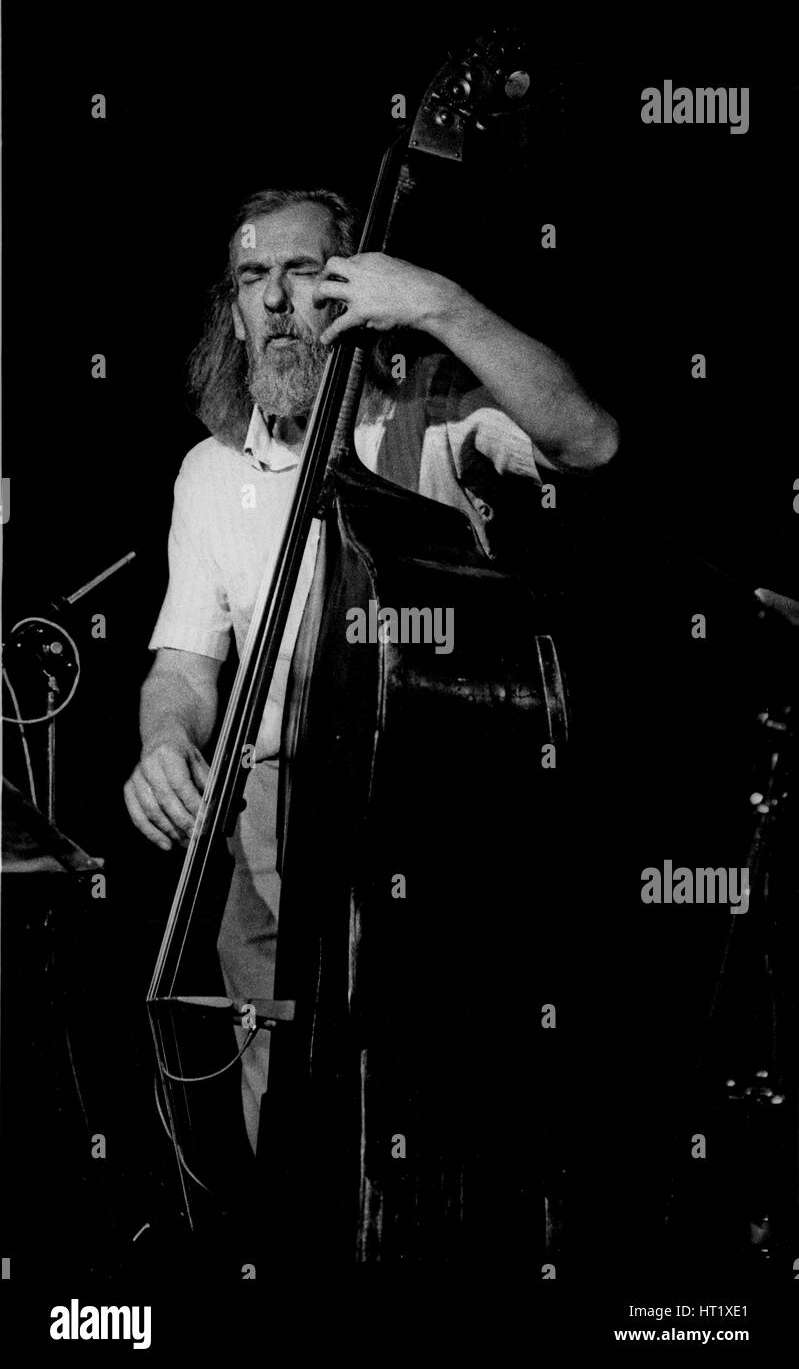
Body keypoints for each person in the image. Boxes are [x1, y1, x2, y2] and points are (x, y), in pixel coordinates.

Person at [124, 186, 619, 1151]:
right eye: (251, 279)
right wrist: (164, 742)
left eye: (302, 274)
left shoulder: (434, 414)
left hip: (420, 827)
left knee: (436, 1106)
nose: (274, 303)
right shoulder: (208, 470)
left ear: (354, 287)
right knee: (280, 1126)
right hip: (261, 837)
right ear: (231, 309)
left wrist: (437, 305)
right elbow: (184, 663)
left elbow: (586, 441)